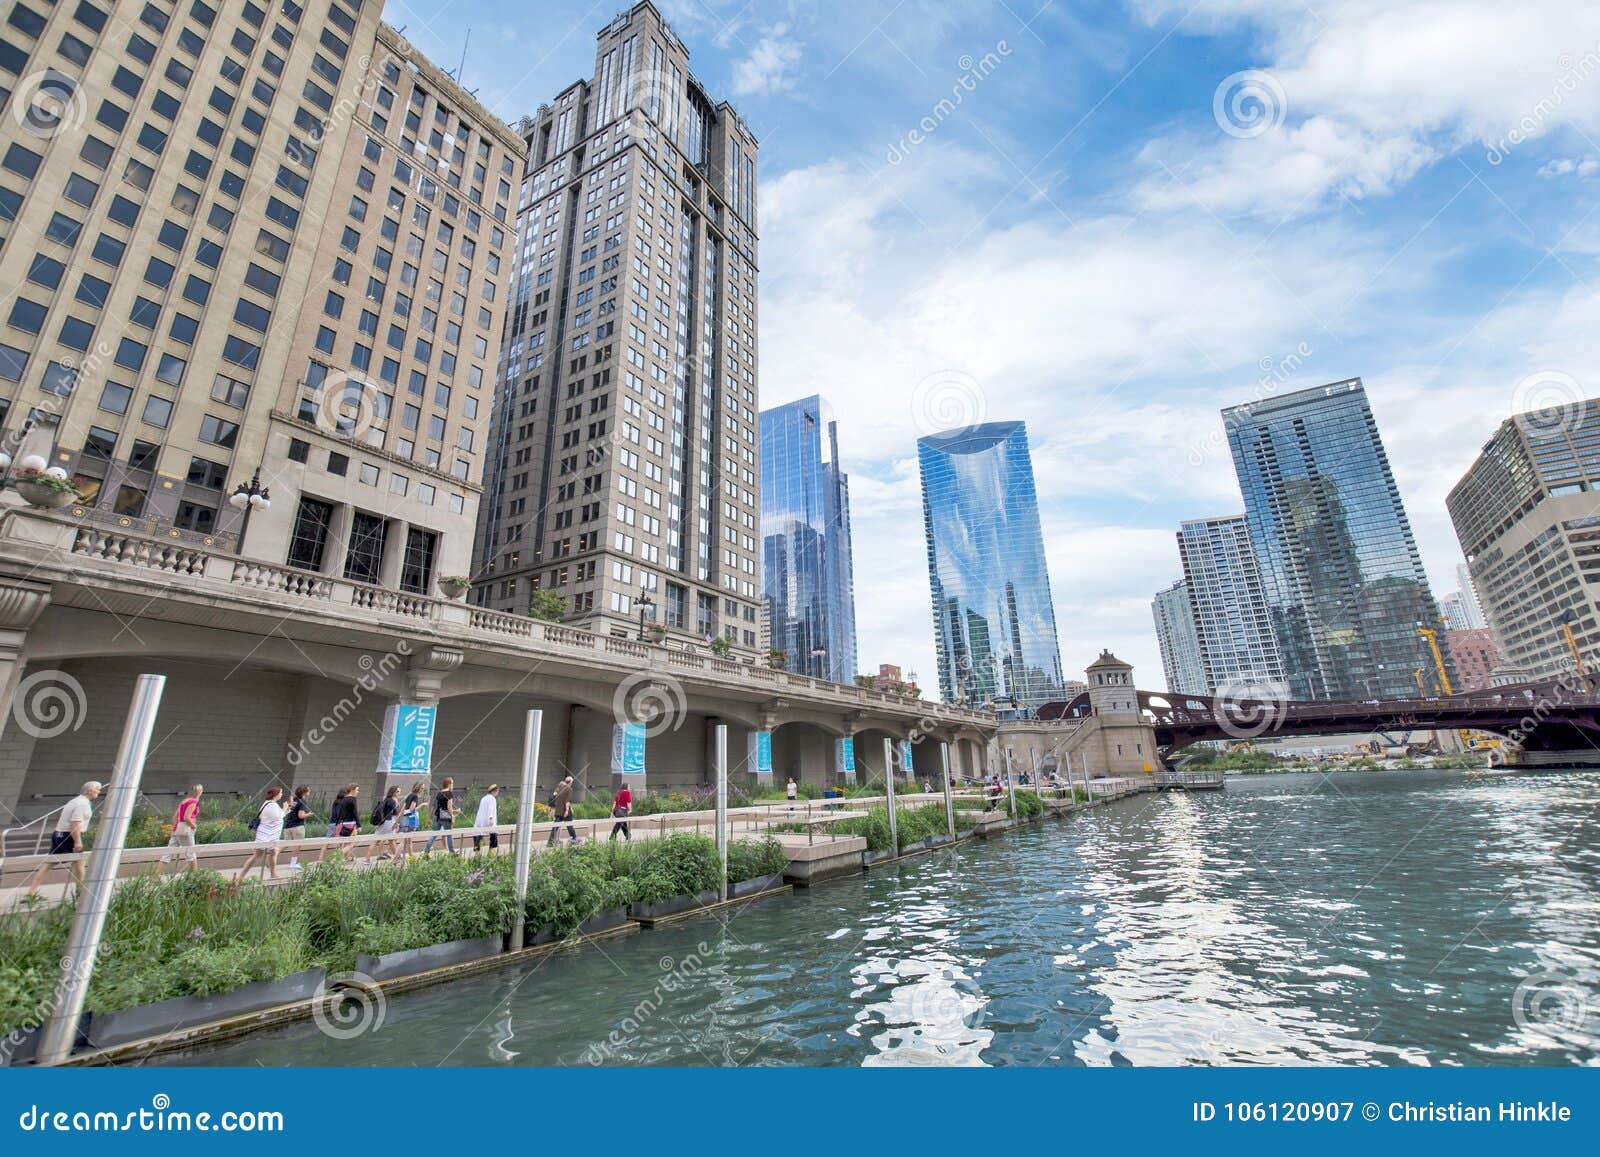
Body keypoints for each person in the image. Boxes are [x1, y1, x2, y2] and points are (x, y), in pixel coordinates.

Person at [25, 781, 101, 896]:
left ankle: (80, 890)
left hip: (60, 834)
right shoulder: (82, 804)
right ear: (89, 791)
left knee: (78, 864)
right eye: (98, 789)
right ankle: (81, 891)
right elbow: (74, 825)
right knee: (56, 864)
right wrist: (78, 842)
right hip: (69, 836)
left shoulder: (76, 801)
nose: (99, 792)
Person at [234, 787, 285, 883]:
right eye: (281, 793)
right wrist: (285, 809)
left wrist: (286, 809)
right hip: (267, 835)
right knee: (258, 855)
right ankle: (241, 877)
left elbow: (278, 816)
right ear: (276, 794)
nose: (282, 794)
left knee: (273, 853)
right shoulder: (271, 805)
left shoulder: (270, 804)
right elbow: (277, 816)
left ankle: (273, 873)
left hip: (270, 835)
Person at [160, 784, 204, 874]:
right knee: (191, 853)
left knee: (167, 854)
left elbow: (175, 818)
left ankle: (156, 876)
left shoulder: (184, 801)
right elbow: (187, 817)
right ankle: (195, 876)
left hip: (176, 830)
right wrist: (193, 826)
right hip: (186, 831)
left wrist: (178, 827)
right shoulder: (193, 802)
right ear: (199, 792)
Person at [424, 777, 459, 855]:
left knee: (433, 835)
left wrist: (430, 817)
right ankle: (452, 853)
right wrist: (452, 816)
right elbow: (449, 807)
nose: (453, 785)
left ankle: (426, 852)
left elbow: (433, 806)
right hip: (445, 816)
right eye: (452, 783)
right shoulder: (449, 793)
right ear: (449, 784)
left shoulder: (439, 793)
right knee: (449, 835)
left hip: (437, 816)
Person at [545, 775, 579, 845]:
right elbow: (567, 801)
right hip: (565, 811)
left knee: (555, 827)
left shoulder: (559, 788)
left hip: (558, 810)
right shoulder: (569, 789)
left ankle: (550, 842)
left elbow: (555, 797)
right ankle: (574, 840)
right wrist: (567, 810)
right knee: (570, 826)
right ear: (571, 782)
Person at [371, 785, 402, 861]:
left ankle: (382, 854)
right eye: (397, 791)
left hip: (386, 821)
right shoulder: (393, 800)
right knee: (388, 839)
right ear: (393, 792)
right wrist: (397, 821)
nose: (399, 793)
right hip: (389, 822)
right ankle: (396, 856)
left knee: (385, 839)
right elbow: (395, 814)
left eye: (399, 791)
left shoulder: (387, 799)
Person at [473, 784, 501, 853]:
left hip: (480, 821)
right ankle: (492, 854)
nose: (498, 792)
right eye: (497, 791)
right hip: (488, 821)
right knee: (493, 836)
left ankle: (477, 854)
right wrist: (491, 819)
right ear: (493, 791)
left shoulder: (484, 798)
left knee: (478, 835)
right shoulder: (492, 799)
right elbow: (490, 809)